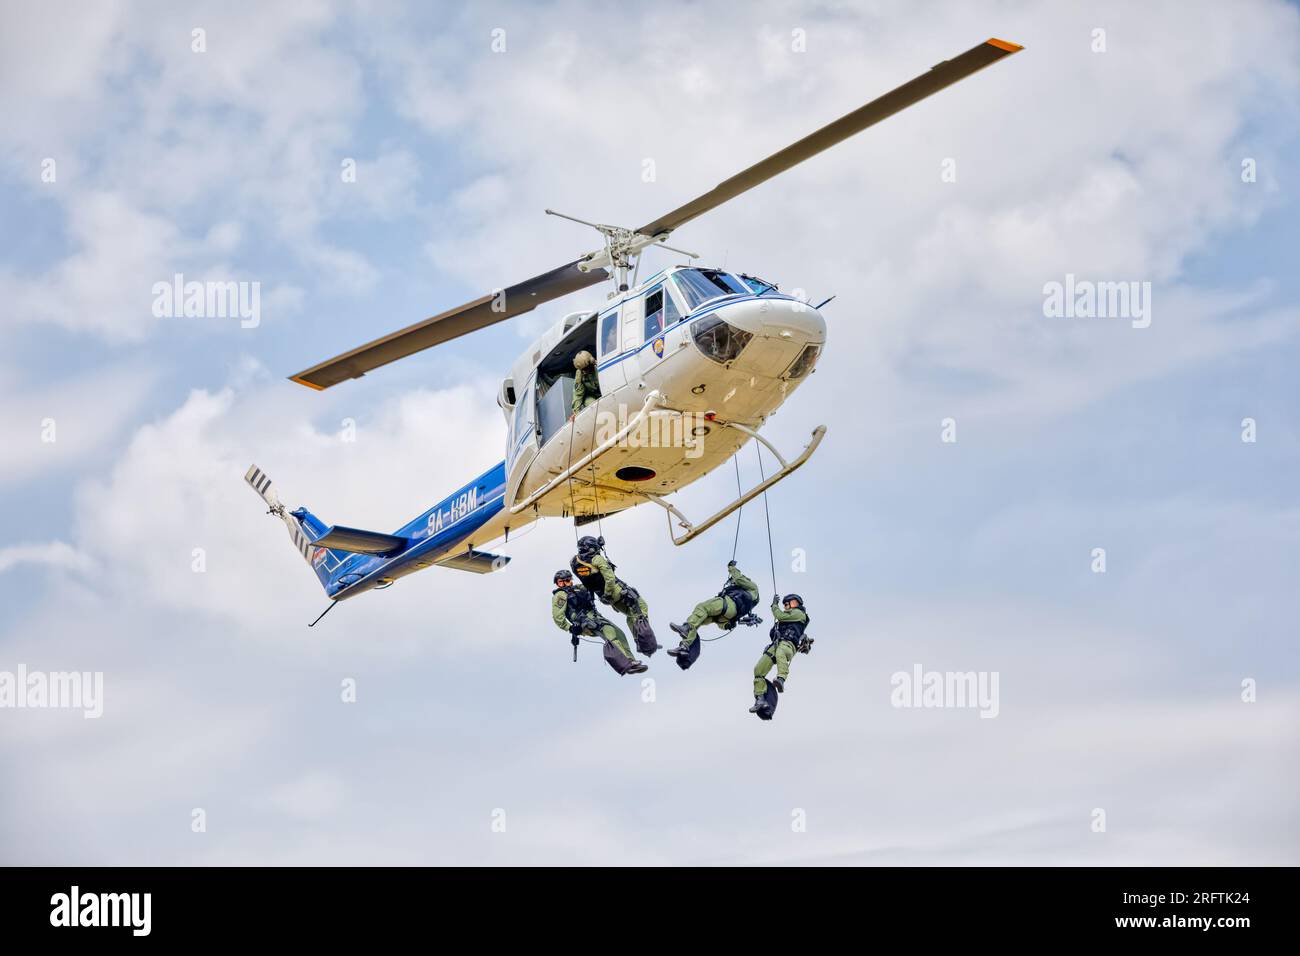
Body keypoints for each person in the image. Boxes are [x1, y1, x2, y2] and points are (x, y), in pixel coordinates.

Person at [570, 536, 659, 655]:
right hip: (615, 592)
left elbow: (588, 579)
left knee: (629, 615)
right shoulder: (596, 559)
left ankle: (639, 643)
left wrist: (605, 596)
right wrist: (608, 593)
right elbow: (610, 578)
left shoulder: (574, 563)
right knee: (641, 608)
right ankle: (645, 643)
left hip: (605, 597)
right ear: (591, 548)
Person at [551, 569, 647, 675]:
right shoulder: (560, 595)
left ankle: (630, 660)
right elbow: (557, 617)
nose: (564, 584)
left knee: (619, 633)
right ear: (557, 583)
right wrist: (570, 628)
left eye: (567, 580)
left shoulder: (578, 588)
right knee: (610, 632)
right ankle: (626, 663)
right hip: (584, 621)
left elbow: (589, 586)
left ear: (571, 580)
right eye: (560, 582)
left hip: (596, 617)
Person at [667, 560, 760, 656]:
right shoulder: (748, 599)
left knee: (702, 607)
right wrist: (725, 626)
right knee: (697, 622)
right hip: (724, 617)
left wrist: (731, 567)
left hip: (728, 605)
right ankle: (685, 646)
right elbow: (722, 623)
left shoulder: (752, 587)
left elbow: (739, 579)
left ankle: (686, 627)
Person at [750, 593, 811, 714]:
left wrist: (774, 605)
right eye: (785, 604)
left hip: (788, 645)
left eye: (789, 603)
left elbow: (779, 615)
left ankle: (781, 679)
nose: (786, 605)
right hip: (776, 644)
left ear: (796, 603)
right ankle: (760, 698)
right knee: (758, 670)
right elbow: (775, 629)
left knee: (780, 652)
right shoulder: (785, 618)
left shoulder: (799, 614)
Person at [571, 350, 601, 416]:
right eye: (582, 370)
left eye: (585, 369)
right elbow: (578, 394)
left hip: (604, 392)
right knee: (590, 403)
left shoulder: (599, 366)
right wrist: (576, 412)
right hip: (591, 396)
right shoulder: (579, 374)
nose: (584, 372)